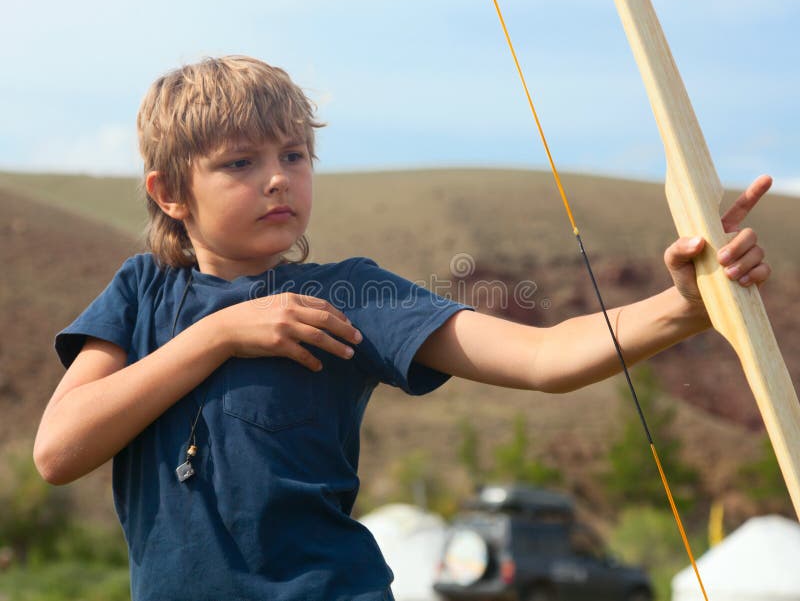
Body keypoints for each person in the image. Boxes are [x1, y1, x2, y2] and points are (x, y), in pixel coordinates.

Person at [33, 55, 771, 601]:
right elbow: (59, 449)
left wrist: (684, 305)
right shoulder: (139, 293)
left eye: (294, 155)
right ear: (169, 193)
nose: (278, 178)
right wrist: (221, 333)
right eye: (240, 162)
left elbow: (544, 356)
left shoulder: (349, 293)